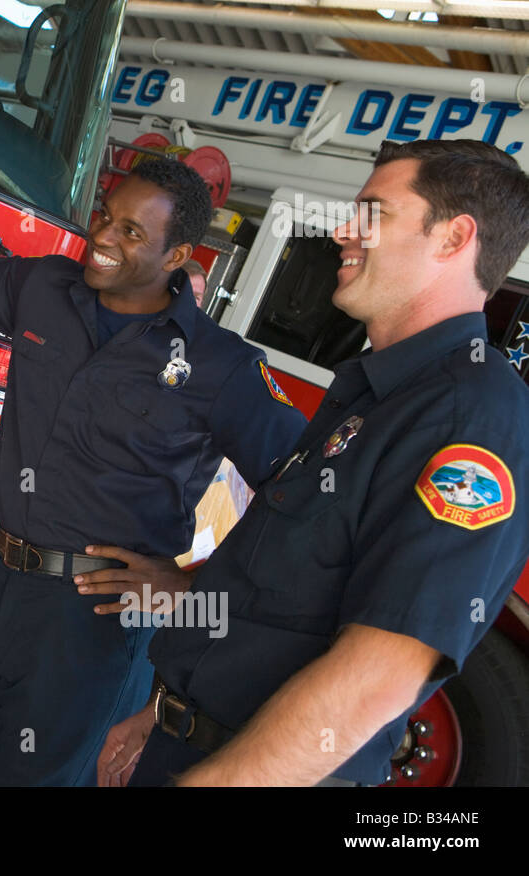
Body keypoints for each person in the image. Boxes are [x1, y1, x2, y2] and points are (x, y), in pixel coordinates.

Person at [97, 139, 529, 787]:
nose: (343, 231)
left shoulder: (471, 417)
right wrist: (164, 713)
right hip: (192, 743)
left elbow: (382, 670)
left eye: (373, 214)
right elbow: (297, 593)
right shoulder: (373, 393)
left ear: (453, 237)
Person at [0, 160, 308, 785]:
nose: (101, 237)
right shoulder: (46, 286)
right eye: (104, 216)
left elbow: (305, 499)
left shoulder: (223, 367)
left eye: (131, 231)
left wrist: (194, 588)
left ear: (176, 254)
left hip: (92, 625)